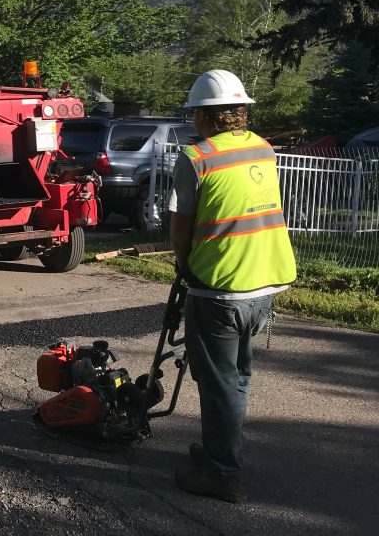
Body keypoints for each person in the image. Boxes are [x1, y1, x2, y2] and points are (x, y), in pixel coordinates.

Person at [169, 69, 296, 504]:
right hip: (263, 282)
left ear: (204, 116)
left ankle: (223, 474)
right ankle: (219, 450)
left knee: (218, 382)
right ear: (239, 113)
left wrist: (184, 266)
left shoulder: (196, 157)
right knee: (236, 378)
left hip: (219, 286)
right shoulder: (262, 148)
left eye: (193, 115)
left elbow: (181, 225)